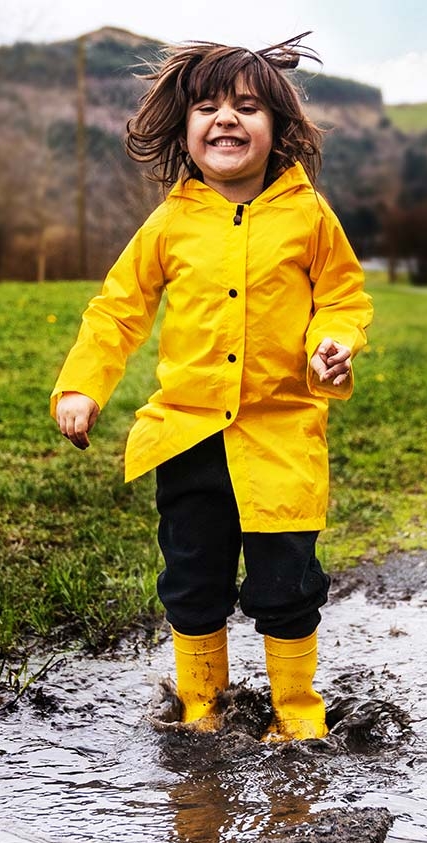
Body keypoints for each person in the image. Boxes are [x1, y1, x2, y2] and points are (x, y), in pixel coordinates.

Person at [50, 32, 372, 741]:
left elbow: (344, 297)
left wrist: (334, 346)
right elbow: (118, 308)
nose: (226, 118)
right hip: (189, 434)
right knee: (192, 582)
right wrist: (82, 387)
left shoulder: (308, 213)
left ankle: (297, 717)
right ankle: (200, 712)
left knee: (286, 585)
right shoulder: (171, 221)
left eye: (248, 107)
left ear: (278, 131)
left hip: (282, 437)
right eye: (208, 107)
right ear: (186, 129)